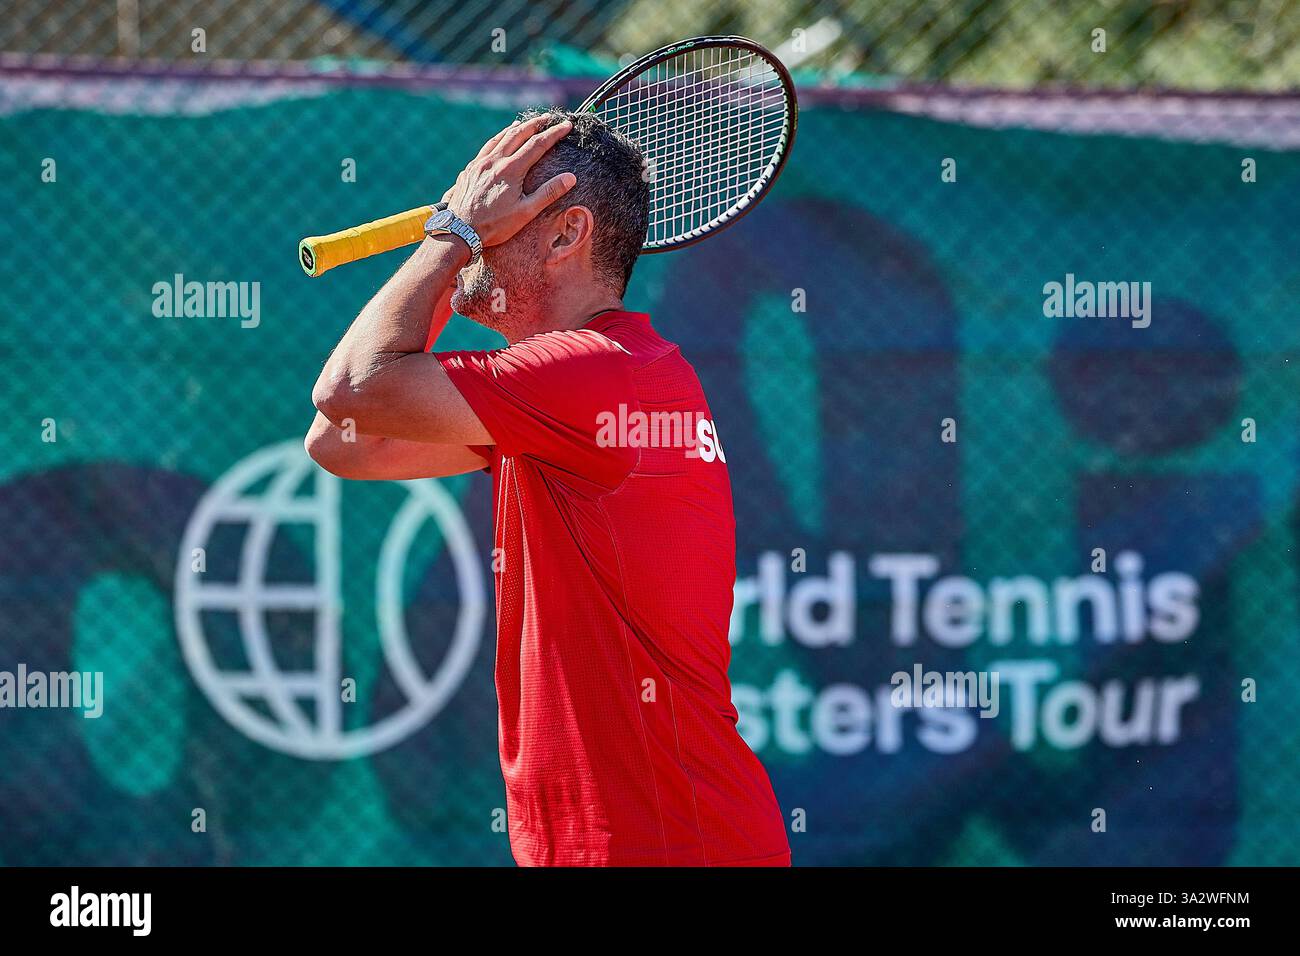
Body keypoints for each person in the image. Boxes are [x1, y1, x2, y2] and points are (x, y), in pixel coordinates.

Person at [306, 109, 790, 866]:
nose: (474, 208)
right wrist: (460, 233)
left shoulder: (595, 377)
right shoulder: (565, 394)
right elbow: (341, 440)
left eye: (496, 197)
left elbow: (350, 389)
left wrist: (451, 237)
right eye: (477, 194)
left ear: (566, 234)